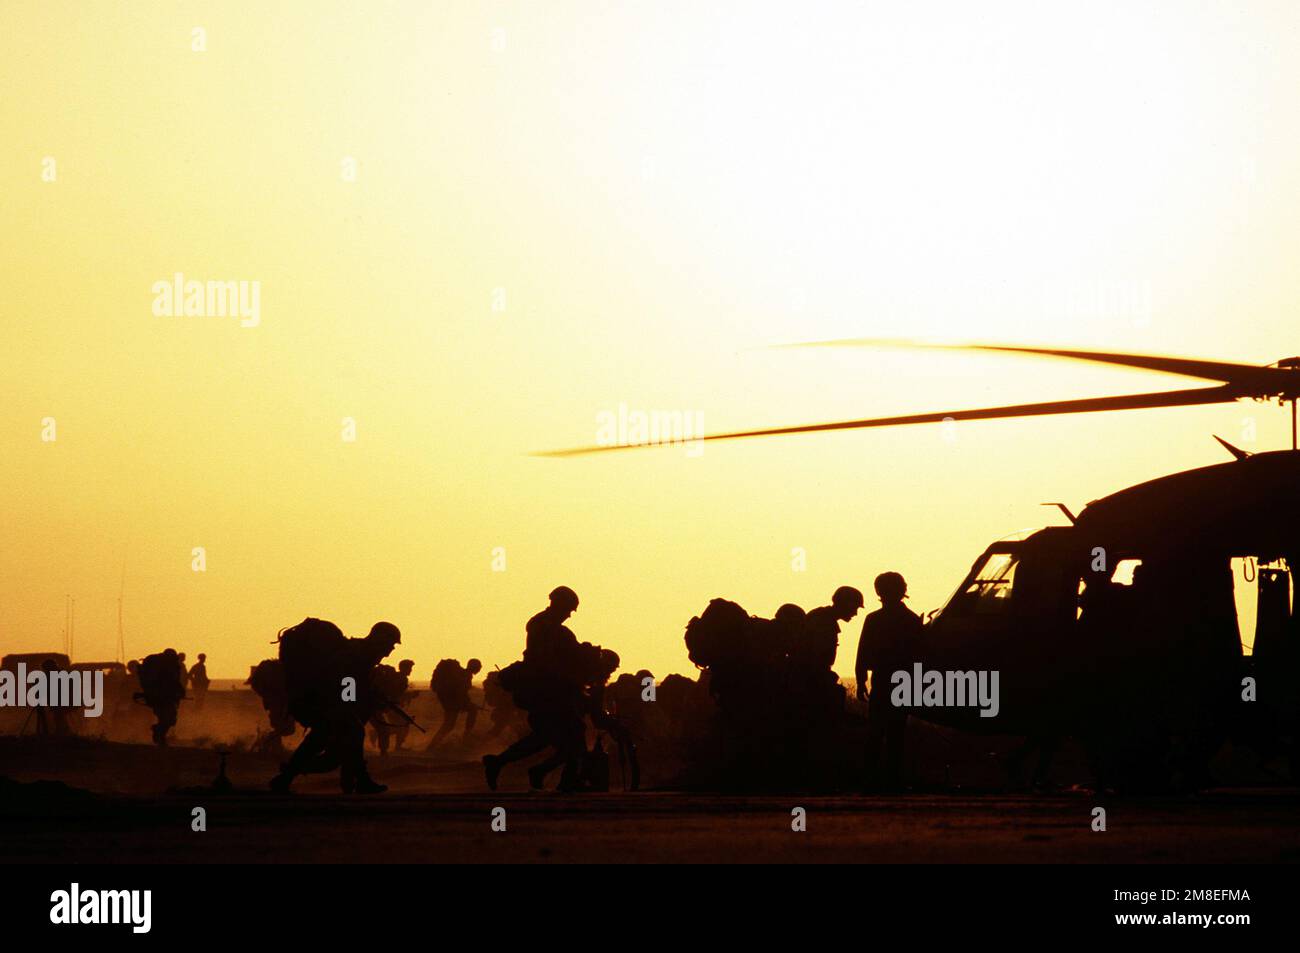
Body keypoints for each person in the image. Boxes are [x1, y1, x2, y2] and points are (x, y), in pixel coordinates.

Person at [270, 620, 401, 794]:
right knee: (351, 732)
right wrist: (351, 704)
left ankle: (286, 776)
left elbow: (350, 683)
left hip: (321, 704)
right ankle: (359, 781)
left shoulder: (360, 653)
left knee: (325, 745)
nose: (390, 650)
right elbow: (345, 680)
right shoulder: (357, 654)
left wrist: (366, 696)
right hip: (319, 703)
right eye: (390, 644)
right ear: (380, 640)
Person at [857, 572, 922, 790]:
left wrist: (860, 680)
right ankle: (893, 779)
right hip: (902, 683)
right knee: (896, 733)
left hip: (883, 682)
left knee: (876, 732)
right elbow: (920, 655)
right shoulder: (912, 620)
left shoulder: (874, 619)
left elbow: (863, 652)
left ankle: (869, 779)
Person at [427, 658, 483, 748]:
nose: (480, 669)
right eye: (479, 667)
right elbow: (461, 691)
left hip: (450, 701)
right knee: (449, 724)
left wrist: (467, 703)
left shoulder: (463, 674)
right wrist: (466, 703)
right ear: (475, 667)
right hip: (453, 702)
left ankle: (432, 745)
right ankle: (466, 736)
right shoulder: (466, 675)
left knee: (449, 724)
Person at [137, 649, 187, 746]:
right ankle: (160, 736)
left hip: (162, 696)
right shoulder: (165, 666)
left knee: (168, 719)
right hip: (160, 697)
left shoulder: (166, 665)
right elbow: (174, 680)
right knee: (168, 718)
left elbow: (175, 681)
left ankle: (159, 734)